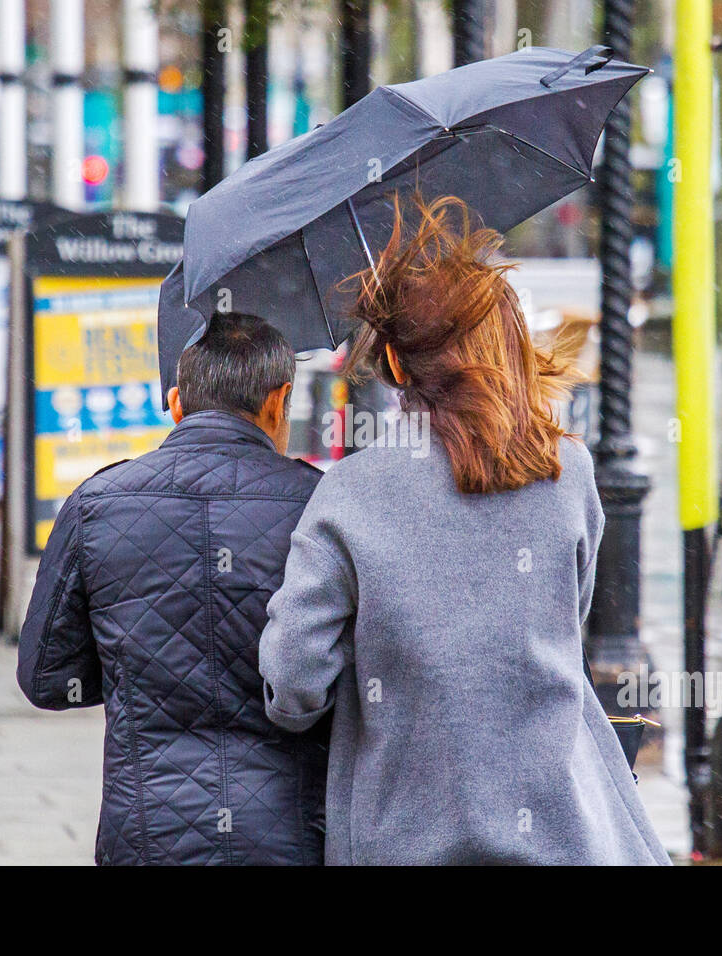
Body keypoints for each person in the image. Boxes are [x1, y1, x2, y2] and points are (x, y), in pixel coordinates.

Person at [258, 196, 671, 865]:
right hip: (564, 833)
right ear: (508, 345)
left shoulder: (353, 493)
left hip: (403, 838)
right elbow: (571, 617)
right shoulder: (566, 470)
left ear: (395, 365)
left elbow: (295, 684)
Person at [18, 312, 327, 865]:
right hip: (289, 836)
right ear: (279, 402)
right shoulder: (320, 506)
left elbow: (47, 678)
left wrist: (131, 670)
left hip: (145, 835)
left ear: (178, 401)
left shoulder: (96, 505)